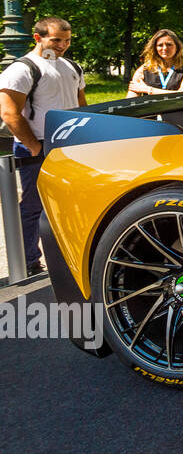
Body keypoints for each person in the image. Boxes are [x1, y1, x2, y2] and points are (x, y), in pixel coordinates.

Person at [0, 17, 87, 275]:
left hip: (71, 145)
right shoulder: (22, 68)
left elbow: (82, 105)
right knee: (34, 207)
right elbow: (9, 112)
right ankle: (29, 263)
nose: (62, 45)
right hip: (37, 147)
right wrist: (35, 148)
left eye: (67, 40)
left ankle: (68, 260)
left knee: (73, 205)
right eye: (56, 40)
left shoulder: (72, 67)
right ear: (38, 38)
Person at [127, 29, 183, 96]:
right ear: (155, 48)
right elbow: (131, 99)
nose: (165, 48)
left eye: (169, 44)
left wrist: (148, 89)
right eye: (160, 45)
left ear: (177, 47)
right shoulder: (143, 70)